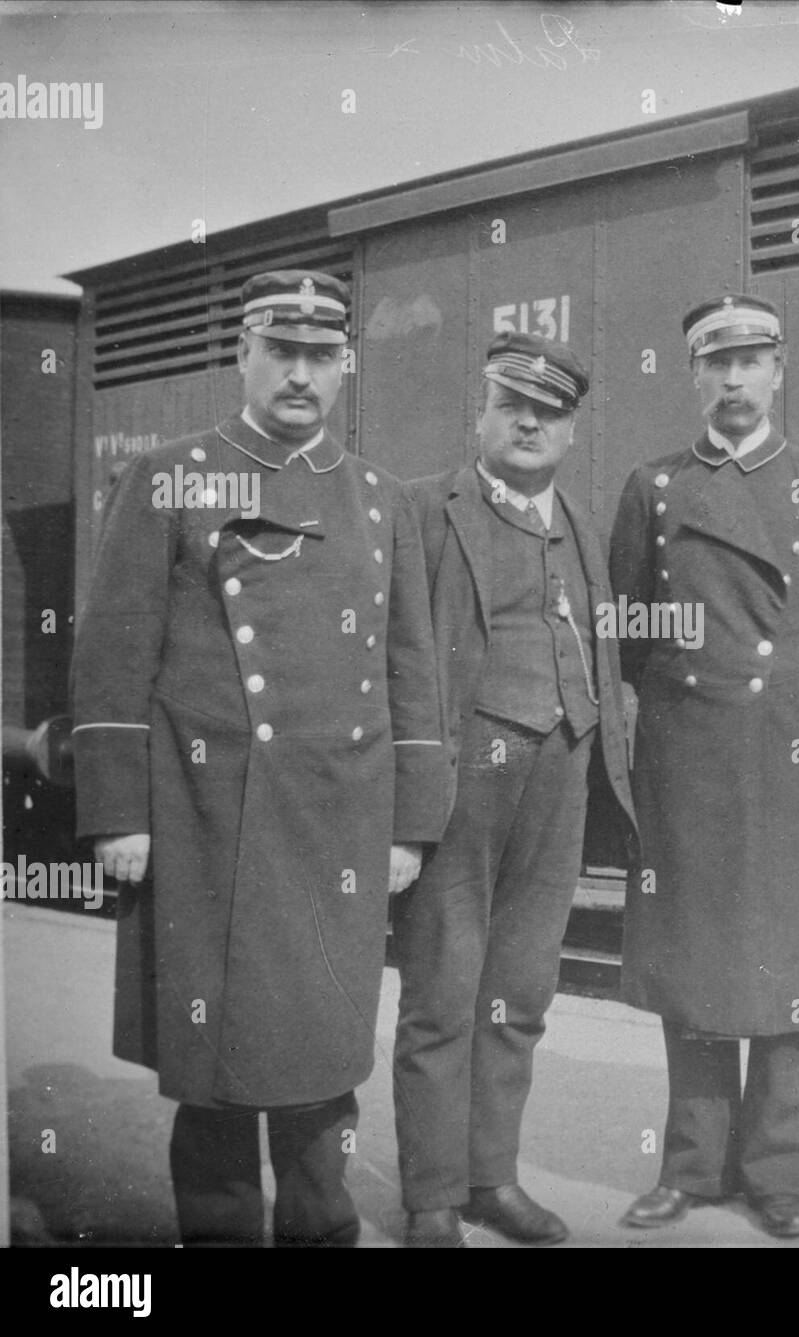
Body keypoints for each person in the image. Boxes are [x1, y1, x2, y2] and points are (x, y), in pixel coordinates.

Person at [71, 270, 451, 1246]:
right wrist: (119, 812)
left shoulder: (381, 498)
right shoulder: (170, 476)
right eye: (279, 350)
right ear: (242, 354)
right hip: (213, 820)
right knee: (218, 1069)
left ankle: (323, 1230)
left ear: (346, 367)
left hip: (340, 823)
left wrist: (412, 822)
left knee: (323, 1061)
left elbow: (414, 669)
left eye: (319, 355)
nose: (298, 373)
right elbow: (115, 656)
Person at [610, 294, 799, 1240]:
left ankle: (775, 1173)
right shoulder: (656, 489)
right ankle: (689, 1165)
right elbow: (629, 631)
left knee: (788, 966)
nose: (732, 381)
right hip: (687, 754)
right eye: (715, 364)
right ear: (693, 375)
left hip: (791, 759)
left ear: (778, 369)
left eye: (750, 361)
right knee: (693, 959)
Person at [395, 331, 637, 1248]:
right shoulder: (426, 510)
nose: (531, 423)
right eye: (514, 406)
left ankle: (490, 1177)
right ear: (484, 412)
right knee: (443, 991)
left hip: (562, 771)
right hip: (464, 778)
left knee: (521, 991)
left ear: (570, 431)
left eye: (550, 412)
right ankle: (427, 1196)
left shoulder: (579, 522)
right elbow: (400, 664)